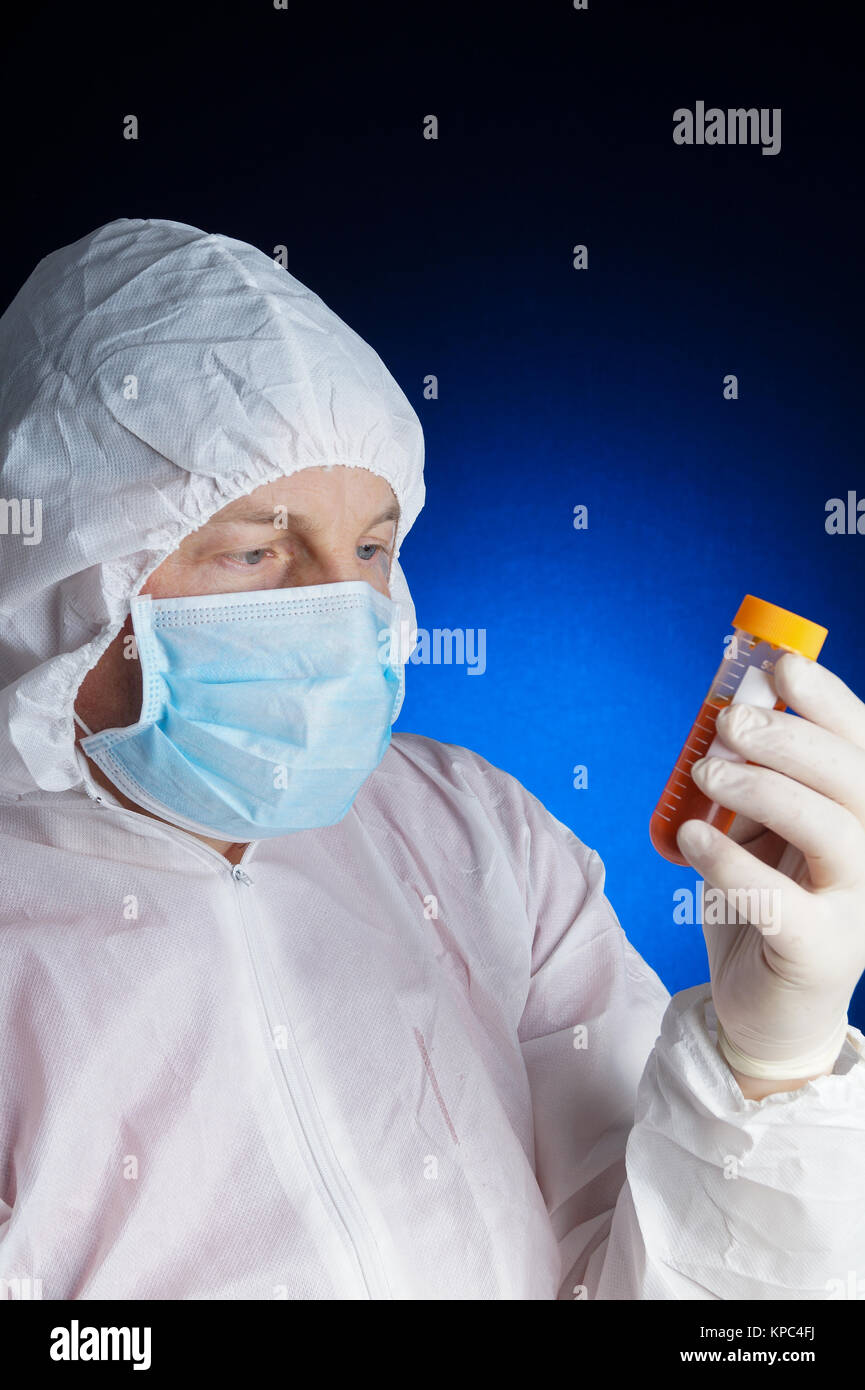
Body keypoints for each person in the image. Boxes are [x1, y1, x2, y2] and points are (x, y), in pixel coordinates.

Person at [0, 217, 862, 1302]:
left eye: (369, 548)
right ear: (69, 571)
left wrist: (765, 1066)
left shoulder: (470, 836)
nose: (340, 610)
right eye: (258, 550)